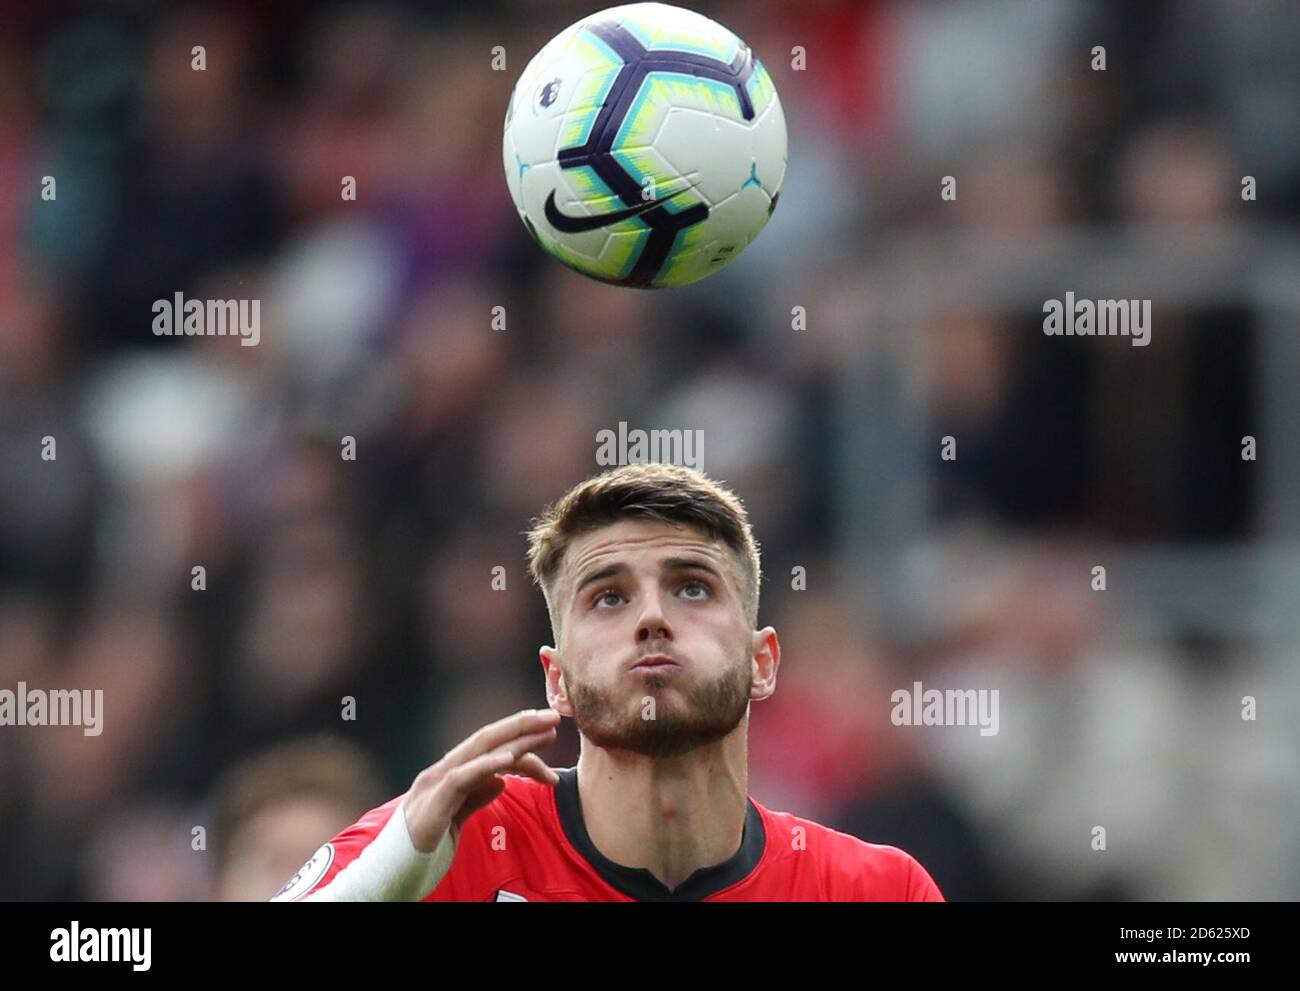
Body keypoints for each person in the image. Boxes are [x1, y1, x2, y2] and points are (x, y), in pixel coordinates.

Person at [273, 463, 944, 901]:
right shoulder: (445, 842)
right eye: (608, 597)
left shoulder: (873, 888)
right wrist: (390, 878)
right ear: (556, 681)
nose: (653, 616)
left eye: (692, 586)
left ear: (762, 661)